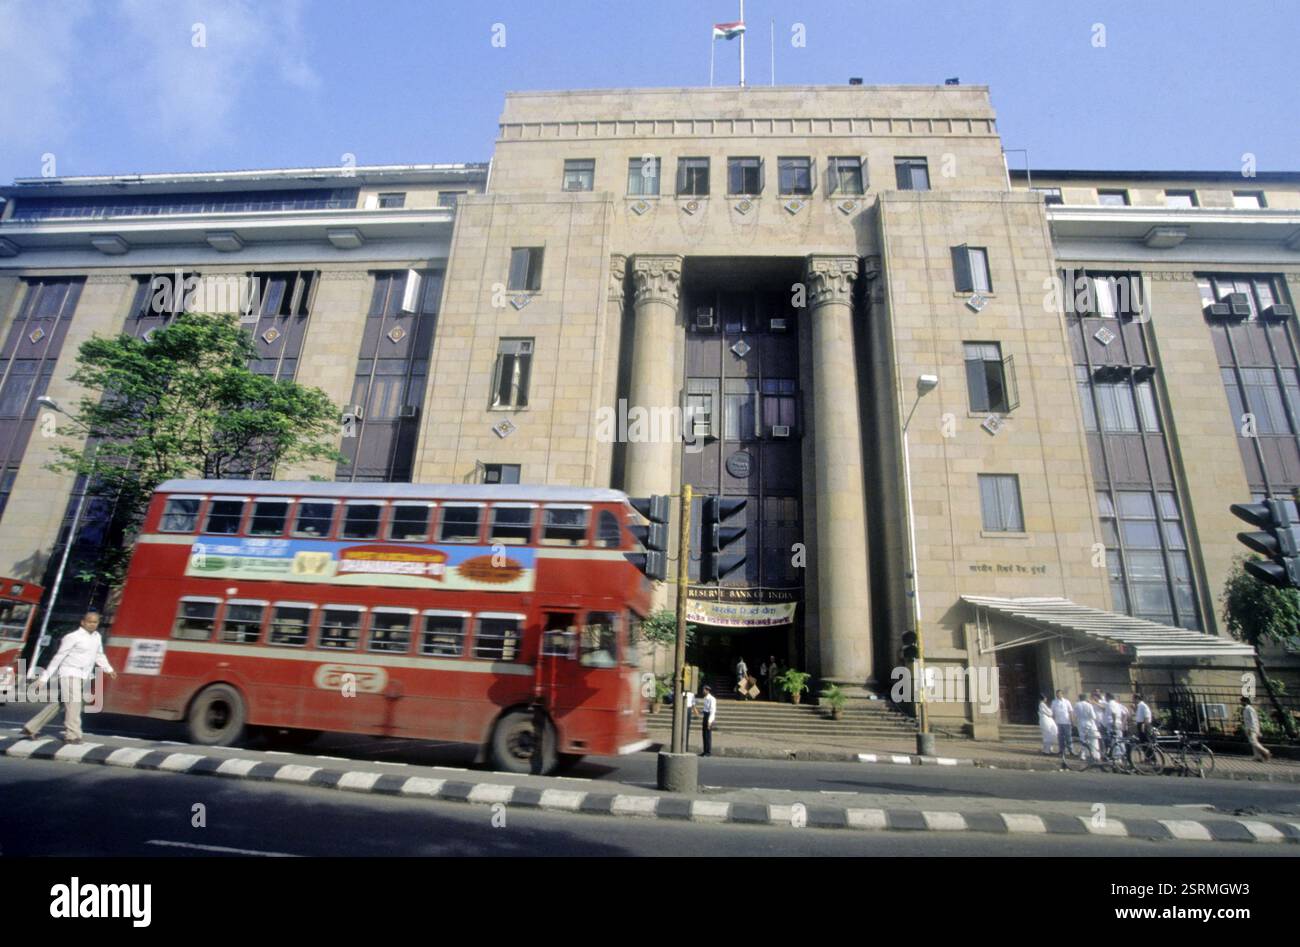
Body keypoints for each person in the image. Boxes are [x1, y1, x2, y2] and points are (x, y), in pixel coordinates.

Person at [23, 612, 117, 744]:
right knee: (74, 703)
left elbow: (99, 655)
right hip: (69, 673)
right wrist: (44, 678)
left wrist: (109, 669)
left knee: (59, 703)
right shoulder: (72, 637)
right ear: (82, 622)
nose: (92, 624)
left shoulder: (97, 637)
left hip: (84, 675)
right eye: (89, 621)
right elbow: (58, 657)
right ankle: (72, 735)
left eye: (95, 622)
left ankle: (30, 728)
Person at [1241, 696, 1272, 762]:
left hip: (1252, 728)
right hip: (1250, 728)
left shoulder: (1249, 709)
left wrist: (1251, 729)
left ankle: (1266, 751)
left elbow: (1253, 720)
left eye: (1242, 701)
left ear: (1245, 701)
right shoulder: (1246, 709)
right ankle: (1257, 756)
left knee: (1253, 742)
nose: (1241, 703)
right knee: (1253, 742)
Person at [1073, 692, 1099, 763]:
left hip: (1081, 723)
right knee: (1093, 740)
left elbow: (1075, 715)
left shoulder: (1076, 705)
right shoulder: (1089, 705)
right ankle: (1094, 755)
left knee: (1083, 740)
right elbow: (1093, 716)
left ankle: (1083, 755)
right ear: (1085, 698)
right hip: (1089, 723)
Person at [1051, 689, 1074, 757]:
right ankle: (1061, 750)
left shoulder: (1066, 702)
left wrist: (1072, 720)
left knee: (1068, 736)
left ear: (1062, 694)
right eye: (1057, 694)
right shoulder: (1054, 702)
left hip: (1066, 722)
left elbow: (1070, 711)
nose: (1058, 695)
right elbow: (1052, 712)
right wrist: (1053, 721)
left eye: (1060, 694)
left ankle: (1071, 750)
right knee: (1060, 737)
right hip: (1058, 722)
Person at [699, 685, 716, 757]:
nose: (703, 691)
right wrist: (701, 711)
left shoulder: (712, 699)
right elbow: (706, 708)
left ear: (707, 690)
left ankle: (708, 751)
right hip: (705, 715)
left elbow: (712, 710)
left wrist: (710, 721)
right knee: (704, 734)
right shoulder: (705, 698)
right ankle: (705, 750)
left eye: (704, 690)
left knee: (708, 735)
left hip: (709, 717)